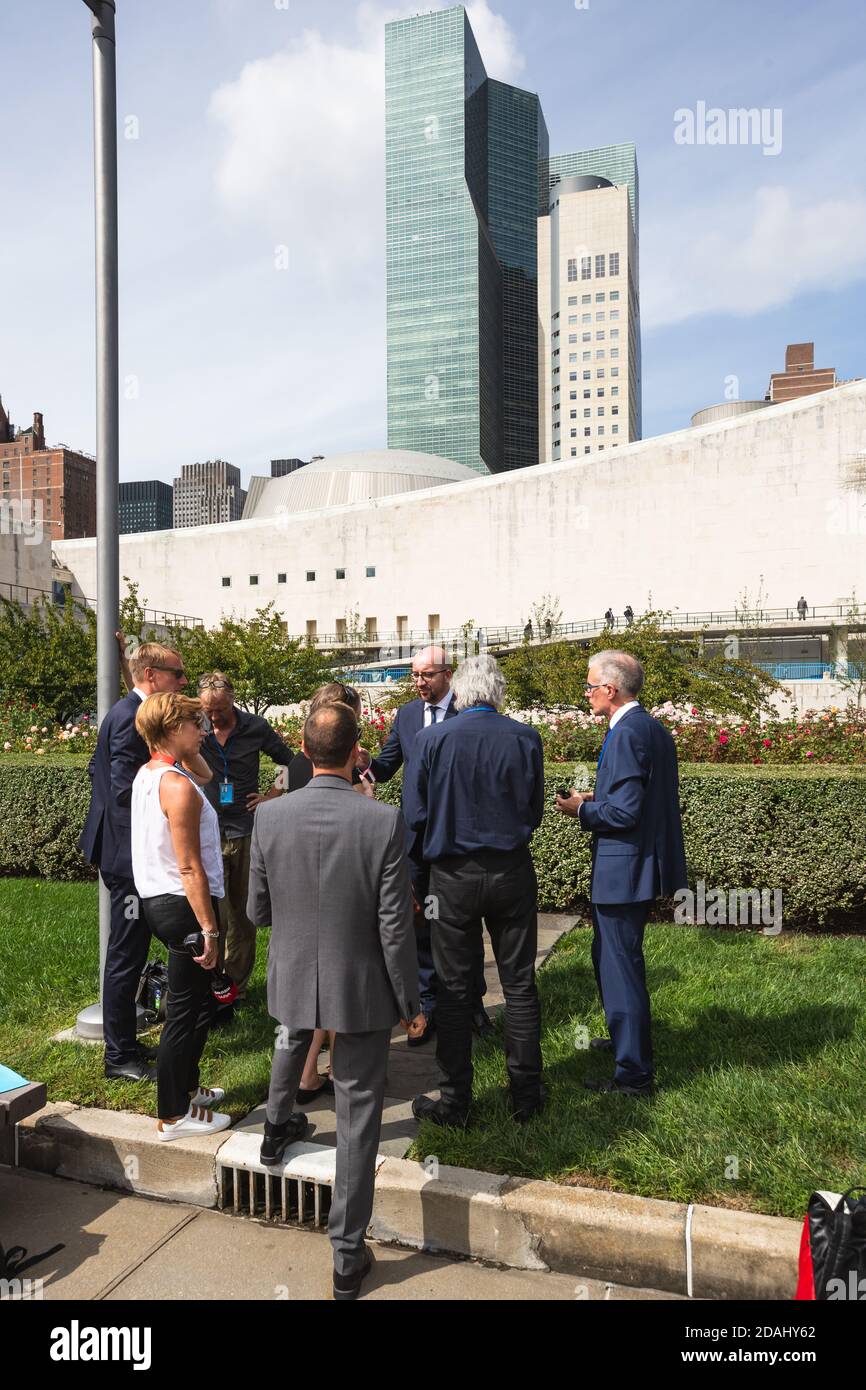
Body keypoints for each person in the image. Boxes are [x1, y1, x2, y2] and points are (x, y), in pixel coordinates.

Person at [248, 702, 424, 1301]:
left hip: (295, 970)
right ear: (358, 753)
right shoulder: (382, 821)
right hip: (362, 985)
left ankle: (274, 1129)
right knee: (358, 1117)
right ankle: (347, 1257)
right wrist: (411, 1001)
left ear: (302, 747)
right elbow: (396, 926)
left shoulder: (269, 819)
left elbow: (257, 911)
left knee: (290, 1038)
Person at [405, 655, 546, 1127]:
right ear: (498, 692)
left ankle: (455, 1100)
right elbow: (533, 810)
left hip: (452, 877)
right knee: (519, 984)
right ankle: (526, 1095)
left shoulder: (431, 740)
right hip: (510, 871)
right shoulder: (526, 738)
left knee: (453, 988)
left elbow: (416, 818)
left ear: (460, 693)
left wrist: (415, 881)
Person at [555, 651, 687, 1096]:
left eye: (590, 686)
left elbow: (625, 812)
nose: (586, 694)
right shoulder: (646, 726)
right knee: (609, 959)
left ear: (610, 690)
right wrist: (600, 794)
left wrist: (582, 808)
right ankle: (624, 1042)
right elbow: (638, 797)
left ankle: (634, 1076)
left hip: (623, 870)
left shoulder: (628, 732)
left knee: (620, 968)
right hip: (632, 866)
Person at [78, 642, 211, 1083]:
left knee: (132, 952)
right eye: (177, 673)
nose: (183, 681)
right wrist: (157, 857)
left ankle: (128, 1039)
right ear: (151, 674)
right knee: (126, 955)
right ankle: (119, 1056)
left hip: (134, 859)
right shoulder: (128, 720)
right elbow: (123, 799)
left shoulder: (141, 716)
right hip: (127, 861)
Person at [358, 646, 491, 1046]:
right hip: (415, 840)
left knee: (463, 921)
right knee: (420, 924)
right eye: (415, 675)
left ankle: (473, 1003)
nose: (419, 682)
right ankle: (428, 1004)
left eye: (427, 675)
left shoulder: (467, 711)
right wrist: (364, 763)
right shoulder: (407, 716)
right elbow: (385, 765)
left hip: (457, 838)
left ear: (448, 675)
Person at [131, 692, 231, 1139]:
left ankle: (187, 1090)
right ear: (172, 729)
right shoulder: (175, 786)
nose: (204, 729)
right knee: (184, 1011)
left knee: (199, 1005)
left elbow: (206, 774)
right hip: (183, 902)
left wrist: (194, 750)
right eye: (195, 723)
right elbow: (189, 864)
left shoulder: (154, 773)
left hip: (163, 900)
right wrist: (208, 927)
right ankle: (173, 1115)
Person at [285, 681, 374, 1104]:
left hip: (297, 898)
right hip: (341, 895)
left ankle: (304, 1077)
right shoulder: (345, 769)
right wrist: (367, 795)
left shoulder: (295, 762)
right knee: (337, 991)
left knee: (305, 1000)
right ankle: (340, 1070)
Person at [196, 673, 294, 1010]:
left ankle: (234, 987)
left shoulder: (255, 727)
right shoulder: (194, 727)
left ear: (232, 702)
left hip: (245, 830)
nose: (213, 718)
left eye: (220, 710)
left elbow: (290, 762)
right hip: (206, 831)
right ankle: (212, 978)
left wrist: (273, 794)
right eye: (208, 710)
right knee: (210, 911)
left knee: (242, 911)